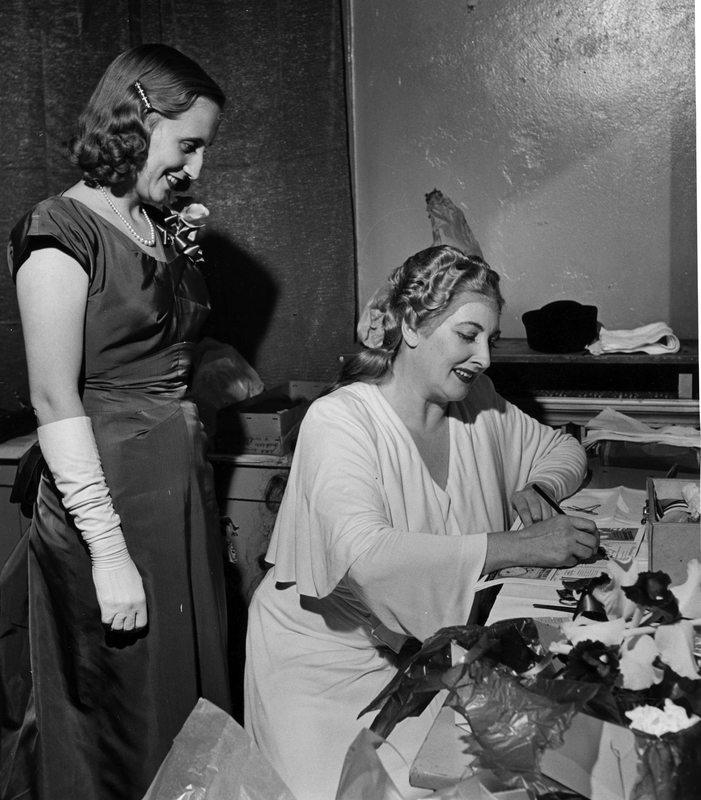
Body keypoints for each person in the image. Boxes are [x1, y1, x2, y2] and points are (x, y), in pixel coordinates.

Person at [244, 245, 598, 800]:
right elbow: (367, 557)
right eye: (467, 335)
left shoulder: (477, 404)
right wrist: (518, 544)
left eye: (490, 339)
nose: (483, 356)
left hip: (419, 654)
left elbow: (562, 450)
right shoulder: (340, 420)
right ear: (412, 324)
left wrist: (540, 487)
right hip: (321, 667)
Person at [1, 44, 230, 800]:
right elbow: (54, 397)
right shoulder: (59, 228)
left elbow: (156, 350)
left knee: (184, 703)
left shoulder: (155, 226)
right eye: (187, 144)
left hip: (176, 497)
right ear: (137, 116)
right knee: (120, 713)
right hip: (111, 504)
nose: (195, 168)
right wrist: (105, 552)